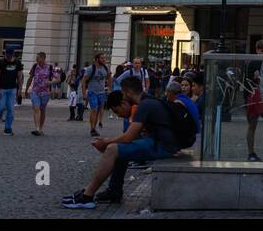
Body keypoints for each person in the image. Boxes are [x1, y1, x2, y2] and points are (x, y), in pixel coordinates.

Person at [61, 77, 183, 208]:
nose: (123, 97)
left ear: (129, 92)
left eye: (123, 93)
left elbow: (128, 137)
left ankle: (87, 196)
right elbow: (133, 136)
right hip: (164, 144)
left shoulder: (144, 105)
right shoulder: (149, 101)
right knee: (119, 149)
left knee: (113, 149)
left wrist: (106, 142)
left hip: (163, 147)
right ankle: (114, 191)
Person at [0, 49, 22, 135]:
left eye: (10, 55)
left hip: (12, 89)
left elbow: (19, 76)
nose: (8, 57)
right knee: (0, 108)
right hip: (2, 88)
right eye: (7, 55)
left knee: (10, 109)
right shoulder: (1, 62)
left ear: (13, 55)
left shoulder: (17, 63)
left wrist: (20, 89)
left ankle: (8, 128)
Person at [26, 51, 56, 136]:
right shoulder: (35, 66)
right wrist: (26, 89)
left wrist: (50, 82)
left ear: (43, 58)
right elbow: (30, 78)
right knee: (36, 108)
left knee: (42, 110)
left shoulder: (50, 68)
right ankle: (37, 128)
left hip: (45, 93)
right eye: (36, 58)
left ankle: (40, 128)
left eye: (38, 58)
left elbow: (57, 79)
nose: (36, 60)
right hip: (35, 91)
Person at [84, 52, 110, 137]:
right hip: (92, 92)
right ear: (97, 59)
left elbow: (109, 77)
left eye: (104, 58)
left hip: (101, 93)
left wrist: (109, 88)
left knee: (98, 110)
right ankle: (92, 128)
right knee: (94, 110)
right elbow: (83, 81)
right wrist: (84, 93)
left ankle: (94, 128)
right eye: (102, 58)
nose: (104, 60)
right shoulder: (90, 69)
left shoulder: (106, 68)